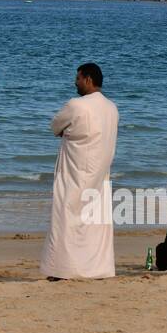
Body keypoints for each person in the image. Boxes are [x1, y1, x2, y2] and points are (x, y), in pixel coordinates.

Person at [40, 62, 119, 281]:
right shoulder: (112, 107)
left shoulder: (77, 105)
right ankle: (97, 268)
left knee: (66, 217)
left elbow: (55, 126)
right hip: (100, 170)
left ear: (88, 79)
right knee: (95, 222)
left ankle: (61, 270)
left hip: (75, 169)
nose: (75, 82)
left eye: (78, 78)